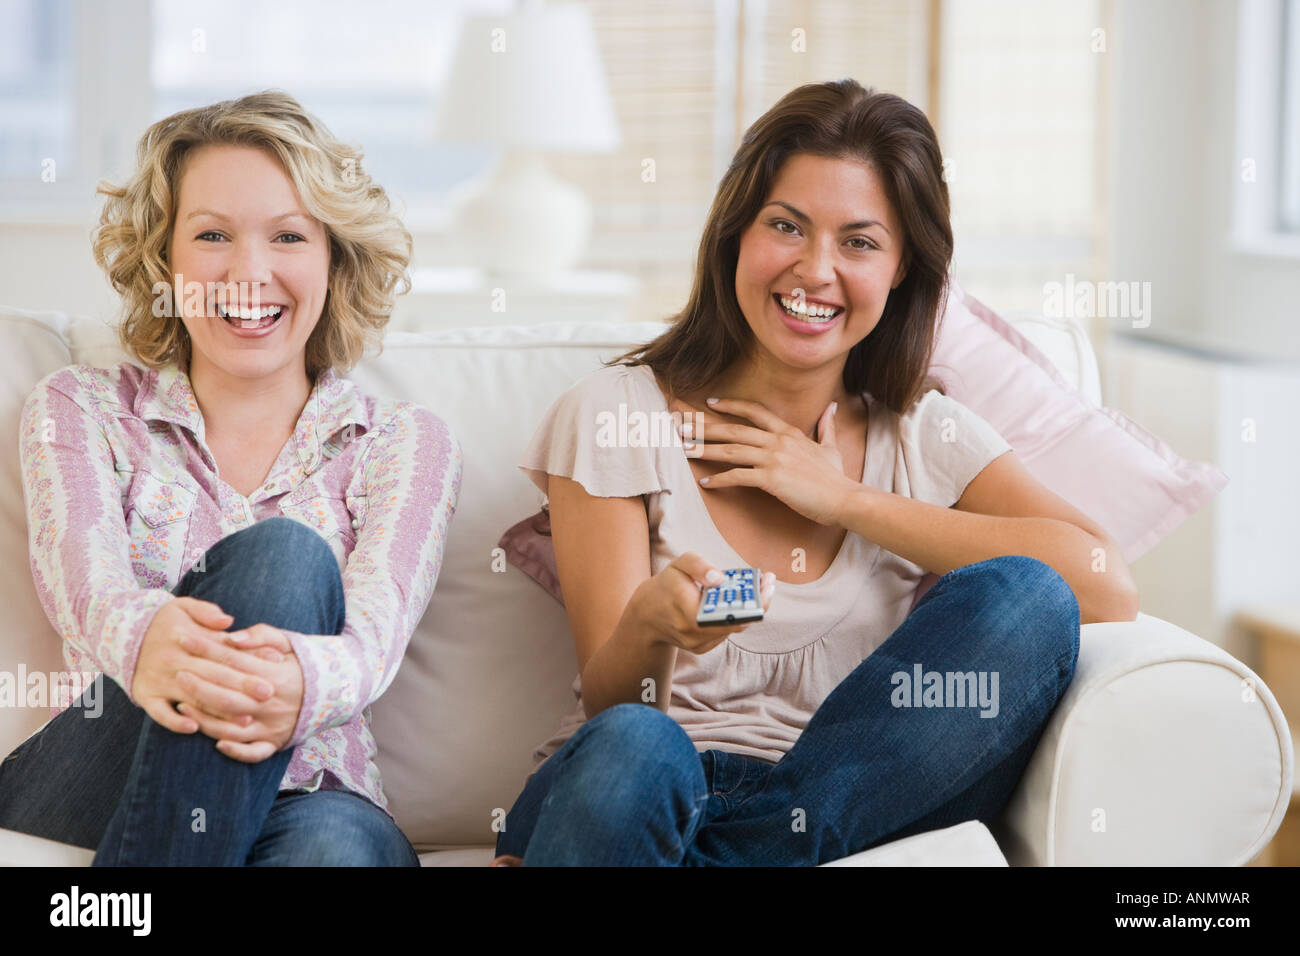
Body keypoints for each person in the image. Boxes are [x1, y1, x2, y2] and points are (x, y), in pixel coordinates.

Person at [492, 79, 1138, 866]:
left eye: (859, 242)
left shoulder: (923, 436)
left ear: (900, 269)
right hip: (638, 796)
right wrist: (651, 625)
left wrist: (846, 498)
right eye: (786, 226)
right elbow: (611, 706)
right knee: (635, 742)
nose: (814, 270)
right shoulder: (615, 414)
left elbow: (1104, 583)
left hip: (838, 799)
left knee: (1025, 594)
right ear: (736, 233)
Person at [0, 91, 462, 865]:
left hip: (311, 793)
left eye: (288, 236)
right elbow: (88, 595)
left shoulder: (400, 443)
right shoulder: (79, 408)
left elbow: (372, 645)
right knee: (282, 560)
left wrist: (295, 686)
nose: (249, 272)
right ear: (164, 259)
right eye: (212, 234)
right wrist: (152, 641)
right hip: (100, 776)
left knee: (334, 860)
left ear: (332, 258)